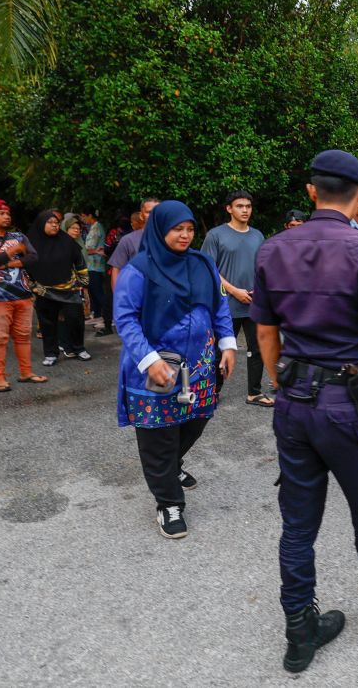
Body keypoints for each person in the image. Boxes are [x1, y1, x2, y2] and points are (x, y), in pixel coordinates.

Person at [252, 150, 358, 673]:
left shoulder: (273, 248)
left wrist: (283, 382)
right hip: (349, 402)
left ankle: (300, 630)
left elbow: (264, 332)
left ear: (311, 191)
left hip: (295, 401)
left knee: (298, 524)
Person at [114, 200, 236, 539]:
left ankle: (170, 467)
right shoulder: (138, 270)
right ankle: (169, 503)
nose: (185, 235)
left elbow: (219, 305)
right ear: (159, 230)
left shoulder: (202, 264)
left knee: (196, 420)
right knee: (158, 435)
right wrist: (149, 359)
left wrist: (228, 343)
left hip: (199, 364)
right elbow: (125, 319)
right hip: (154, 367)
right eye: (176, 229)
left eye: (189, 229)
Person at [202, 190, 270, 407]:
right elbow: (209, 269)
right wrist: (234, 291)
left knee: (257, 349)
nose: (245, 210)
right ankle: (213, 392)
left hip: (253, 304)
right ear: (229, 209)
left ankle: (254, 392)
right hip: (225, 305)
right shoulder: (216, 235)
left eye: (248, 206)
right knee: (220, 350)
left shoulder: (258, 235)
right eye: (240, 206)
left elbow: (263, 268)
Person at [0, 199, 46, 392]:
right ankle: (0, 379)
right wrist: (14, 251)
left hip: (23, 294)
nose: (6, 217)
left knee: (23, 337)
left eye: (7, 214)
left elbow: (34, 257)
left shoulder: (18, 235)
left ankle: (26, 373)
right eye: (0, 213)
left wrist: (8, 263)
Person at [27, 210, 91, 366]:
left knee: (76, 319)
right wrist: (33, 287)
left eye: (56, 223)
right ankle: (51, 353)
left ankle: (78, 348)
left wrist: (82, 283)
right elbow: (25, 267)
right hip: (44, 291)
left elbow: (79, 262)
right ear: (41, 224)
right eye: (50, 223)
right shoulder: (31, 244)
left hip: (69, 289)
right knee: (48, 324)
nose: (55, 225)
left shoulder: (67, 241)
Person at [108, 198, 160, 290]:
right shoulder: (128, 240)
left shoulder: (171, 239)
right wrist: (118, 299)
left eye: (157, 211)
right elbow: (116, 270)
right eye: (149, 212)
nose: (153, 215)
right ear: (141, 215)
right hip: (136, 297)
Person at [80, 207, 108, 327]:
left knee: (97, 292)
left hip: (95, 266)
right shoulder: (94, 227)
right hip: (91, 265)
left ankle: (108, 318)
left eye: (84, 216)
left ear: (90, 215)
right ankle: (97, 316)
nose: (83, 219)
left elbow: (88, 249)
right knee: (93, 292)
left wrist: (88, 251)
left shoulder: (97, 227)